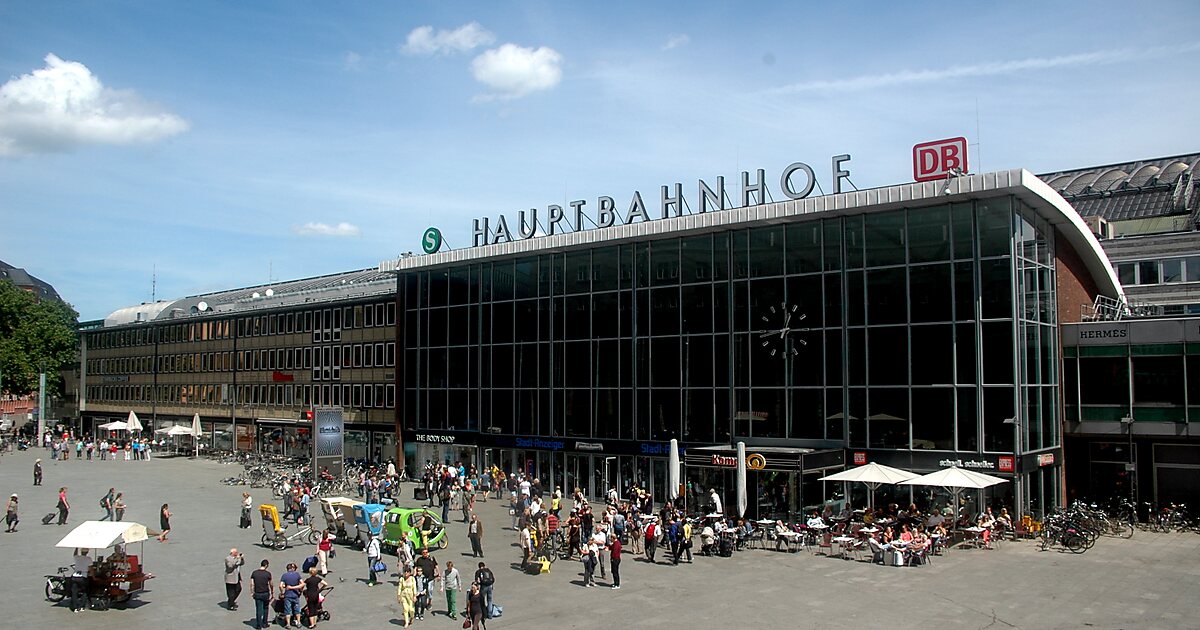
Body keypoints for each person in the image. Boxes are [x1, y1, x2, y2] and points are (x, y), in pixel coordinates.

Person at [413, 548, 439, 621]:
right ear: (422, 553)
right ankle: (421, 604)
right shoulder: (419, 560)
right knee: (422, 590)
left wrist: (438, 574)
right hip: (422, 578)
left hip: (430, 578)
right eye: (423, 552)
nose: (425, 553)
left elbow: (436, 566)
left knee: (430, 591)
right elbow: (415, 567)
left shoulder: (431, 559)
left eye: (426, 552)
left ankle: (429, 603)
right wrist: (414, 575)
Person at [250, 559, 274, 630]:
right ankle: (265, 623)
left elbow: (252, 584)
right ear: (266, 565)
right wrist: (272, 592)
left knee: (258, 609)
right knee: (266, 608)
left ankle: (258, 625)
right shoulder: (268, 574)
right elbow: (271, 584)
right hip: (265, 593)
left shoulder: (254, 573)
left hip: (257, 593)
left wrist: (252, 592)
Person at [279, 562, 303, 628]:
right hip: (295, 594)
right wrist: (299, 589)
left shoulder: (284, 575)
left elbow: (280, 586)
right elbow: (302, 584)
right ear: (292, 568)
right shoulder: (297, 575)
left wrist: (282, 592)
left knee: (287, 610)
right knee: (297, 609)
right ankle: (298, 622)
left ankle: (288, 624)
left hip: (288, 595)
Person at [70, 547, 92, 612]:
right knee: (85, 591)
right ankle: (82, 606)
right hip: (83, 577)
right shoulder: (89, 559)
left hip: (75, 576)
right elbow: (91, 569)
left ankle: (75, 607)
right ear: (87, 552)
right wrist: (92, 576)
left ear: (81, 552)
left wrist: (76, 548)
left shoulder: (77, 557)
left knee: (74, 592)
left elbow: (74, 554)